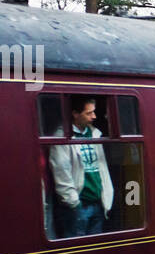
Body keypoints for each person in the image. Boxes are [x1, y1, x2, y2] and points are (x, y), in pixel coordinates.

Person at [48, 96, 114, 237]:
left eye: (94, 112)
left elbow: (102, 169)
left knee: (95, 250)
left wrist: (107, 198)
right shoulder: (62, 136)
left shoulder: (95, 134)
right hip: (78, 205)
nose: (94, 116)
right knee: (77, 253)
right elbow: (61, 173)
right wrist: (74, 203)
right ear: (75, 114)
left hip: (98, 203)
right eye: (89, 113)